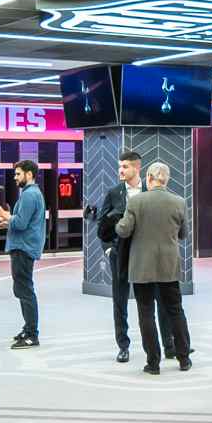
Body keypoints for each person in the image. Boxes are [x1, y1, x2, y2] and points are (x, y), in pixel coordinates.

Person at [120, 160, 191, 374]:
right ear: (166, 179)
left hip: (142, 266)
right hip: (169, 265)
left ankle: (153, 363)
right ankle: (184, 358)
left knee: (146, 313)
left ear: (149, 178)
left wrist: (116, 222)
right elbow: (183, 234)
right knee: (175, 310)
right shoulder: (179, 202)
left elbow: (124, 230)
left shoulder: (136, 201)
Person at [94, 150, 142, 361]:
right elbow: (101, 223)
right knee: (120, 300)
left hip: (145, 254)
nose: (120, 170)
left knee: (152, 299)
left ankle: (167, 344)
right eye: (119, 166)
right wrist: (108, 248)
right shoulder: (114, 193)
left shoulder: (149, 191)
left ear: (137, 167)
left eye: (125, 166)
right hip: (119, 253)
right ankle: (123, 346)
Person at [4, 157, 48, 348]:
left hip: (23, 247)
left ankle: (32, 334)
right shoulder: (31, 194)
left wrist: (3, 214)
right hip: (23, 246)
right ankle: (28, 328)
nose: (15, 177)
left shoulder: (30, 195)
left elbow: (21, 223)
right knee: (22, 289)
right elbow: (23, 222)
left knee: (25, 290)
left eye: (18, 174)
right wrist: (10, 221)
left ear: (29, 174)